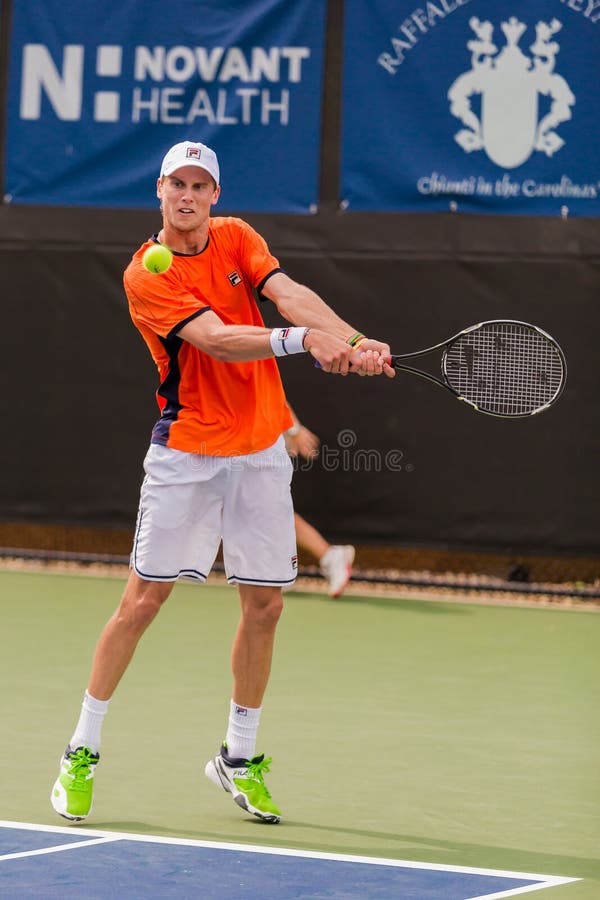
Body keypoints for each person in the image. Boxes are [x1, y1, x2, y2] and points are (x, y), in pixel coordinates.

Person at [50, 140, 394, 827]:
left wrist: (353, 340)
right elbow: (216, 339)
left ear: (214, 195)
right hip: (188, 454)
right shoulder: (145, 277)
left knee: (265, 607)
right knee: (141, 604)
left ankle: (238, 759)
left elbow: (288, 294)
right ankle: (81, 748)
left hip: (260, 451)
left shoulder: (237, 238)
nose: (187, 195)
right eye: (176, 183)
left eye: (199, 185)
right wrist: (304, 343)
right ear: (159, 191)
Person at [284, 406, 355, 598]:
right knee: (260, 509)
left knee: (268, 508)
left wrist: (294, 429)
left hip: (261, 433)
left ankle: (330, 556)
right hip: (239, 431)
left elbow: (269, 387)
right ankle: (278, 566)